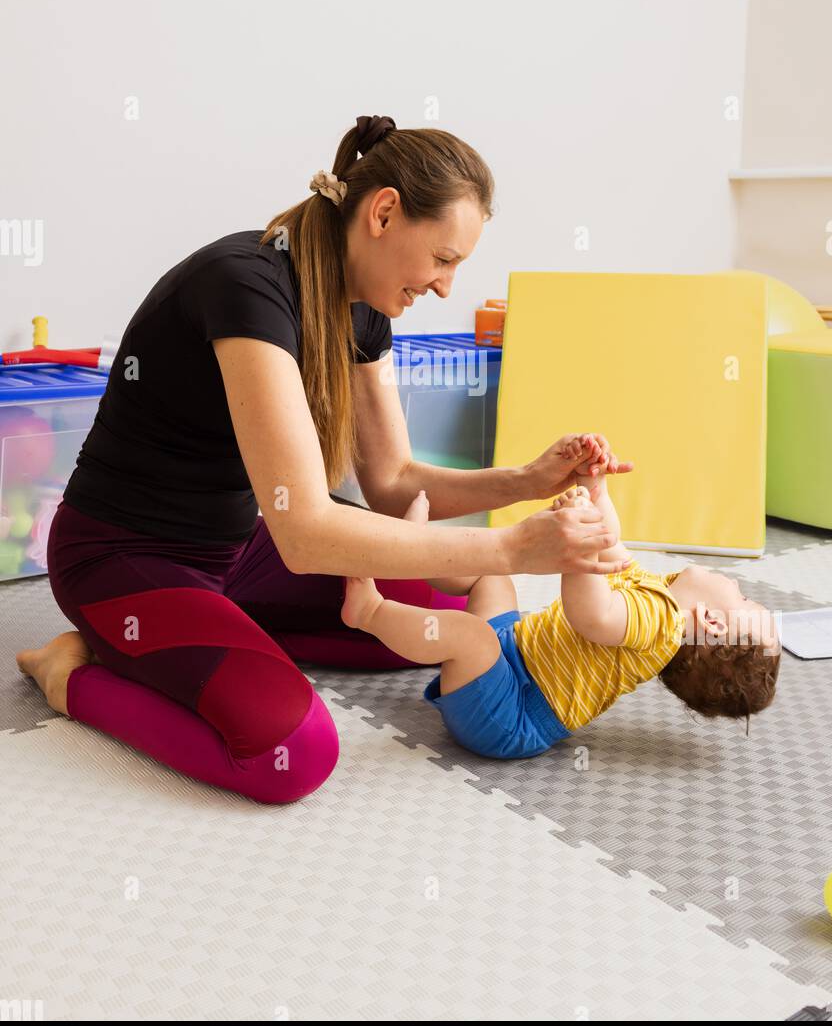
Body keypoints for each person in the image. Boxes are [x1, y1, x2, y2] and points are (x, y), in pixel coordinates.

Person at [17, 116, 632, 803]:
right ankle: (70, 673)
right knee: (292, 753)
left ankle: (202, 632)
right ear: (385, 212)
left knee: (428, 614)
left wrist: (526, 480)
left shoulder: (365, 308)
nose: (444, 287)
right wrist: (514, 547)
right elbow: (306, 532)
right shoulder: (244, 285)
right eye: (443, 259)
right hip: (124, 558)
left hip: (238, 550)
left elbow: (395, 484)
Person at [341, 433, 782, 760]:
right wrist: (595, 489)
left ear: (713, 623)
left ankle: (371, 610)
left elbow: (589, 613)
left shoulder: (661, 625)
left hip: (509, 715)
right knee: (493, 578)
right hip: (513, 655)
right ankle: (417, 554)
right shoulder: (658, 594)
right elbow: (612, 544)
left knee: (470, 636)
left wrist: (575, 544)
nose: (738, 587)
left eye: (743, 598)